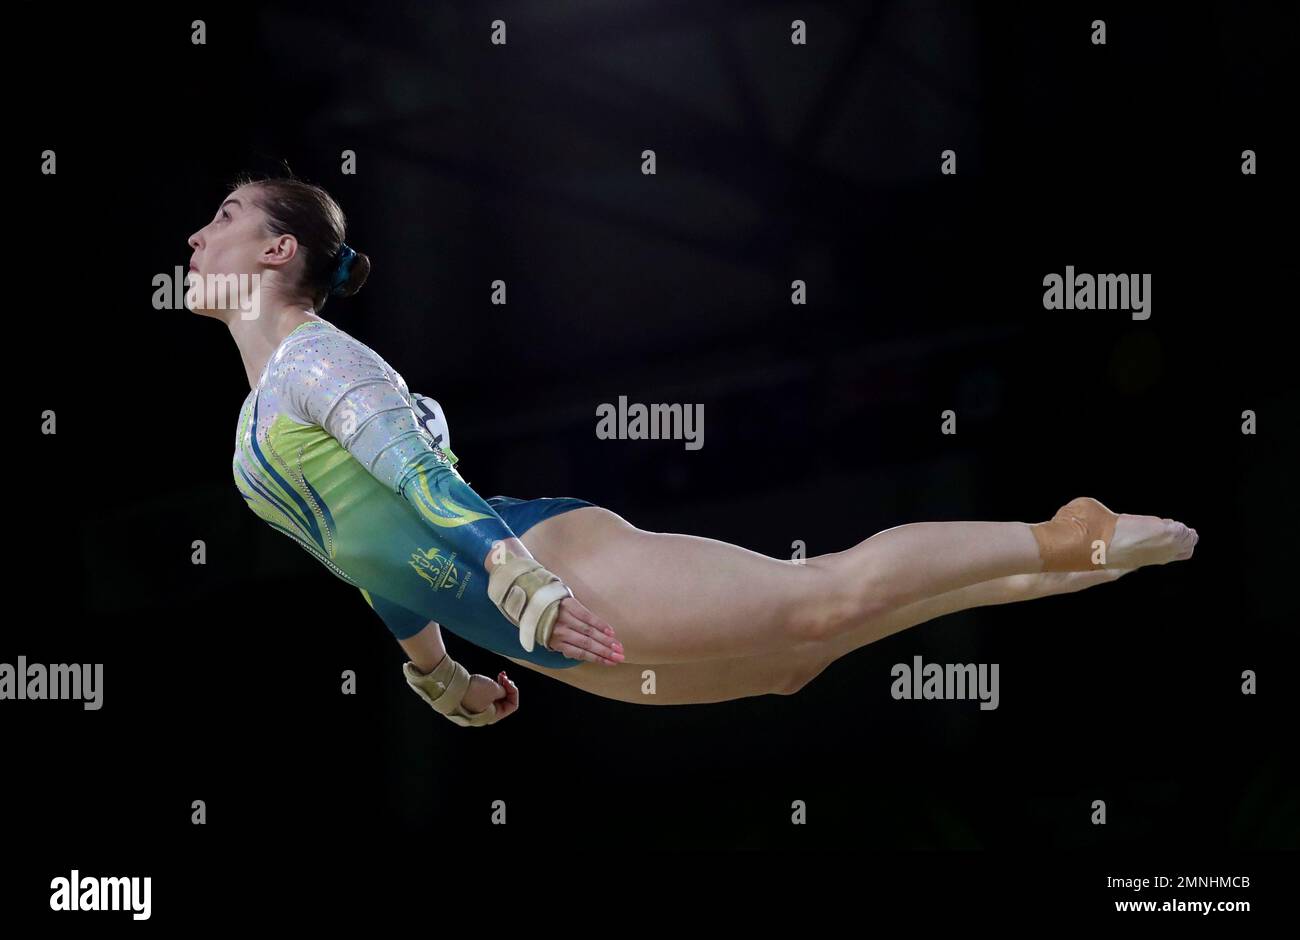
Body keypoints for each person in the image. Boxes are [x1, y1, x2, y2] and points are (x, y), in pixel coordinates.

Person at [188, 174, 1199, 726]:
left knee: (821, 599)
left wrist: (518, 578)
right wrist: (434, 670)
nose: (196, 236)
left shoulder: (317, 360)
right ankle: (1076, 566)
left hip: (551, 573)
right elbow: (367, 547)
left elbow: (421, 478)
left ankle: (1066, 536)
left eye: (224, 217)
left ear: (280, 252)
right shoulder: (250, 437)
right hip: (521, 625)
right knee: (792, 664)